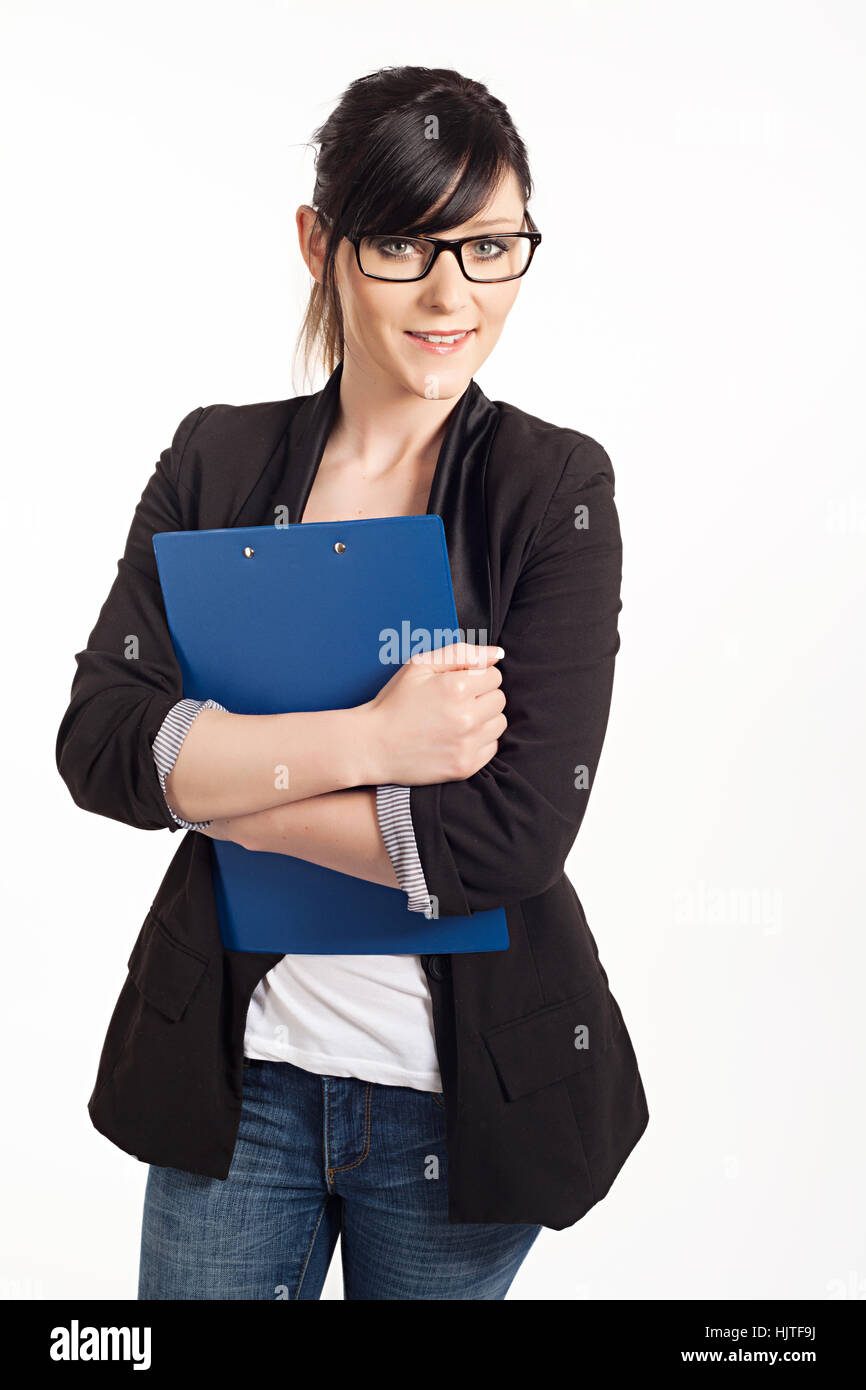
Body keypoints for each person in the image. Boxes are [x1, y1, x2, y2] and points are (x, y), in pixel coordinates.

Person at [56, 65, 649, 1301]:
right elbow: (103, 743)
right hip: (242, 1083)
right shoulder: (215, 458)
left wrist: (220, 786)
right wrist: (376, 736)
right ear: (318, 244)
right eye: (403, 244)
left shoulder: (551, 490)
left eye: (489, 246)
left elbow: (508, 835)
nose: (453, 295)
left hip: (458, 1107)